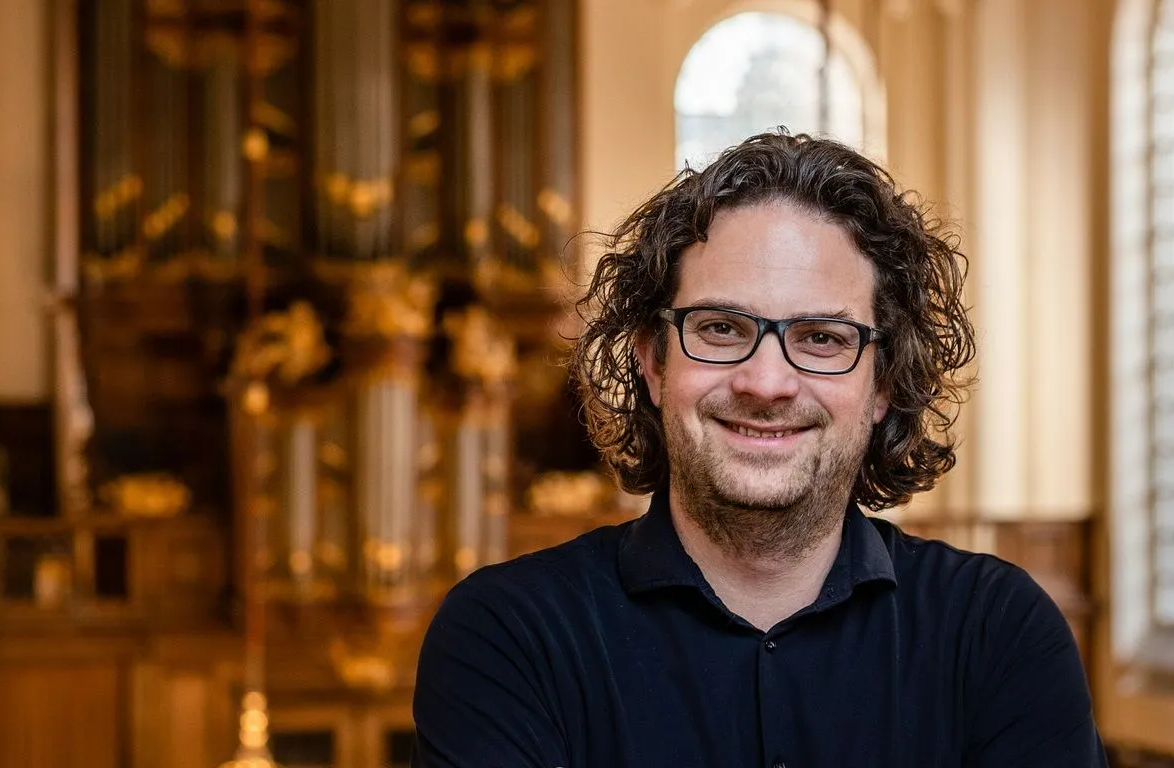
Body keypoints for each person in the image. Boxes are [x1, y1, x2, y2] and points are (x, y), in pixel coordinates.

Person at [411, 132, 1107, 767]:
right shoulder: (508, 635)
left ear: (884, 385)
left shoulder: (999, 634)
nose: (767, 383)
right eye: (720, 328)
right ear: (653, 362)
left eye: (822, 339)